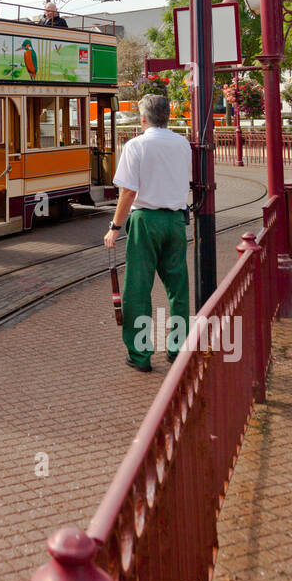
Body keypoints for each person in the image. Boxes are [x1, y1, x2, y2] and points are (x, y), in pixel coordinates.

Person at [104, 93, 192, 372]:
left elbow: (128, 191)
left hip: (145, 221)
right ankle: (177, 348)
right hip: (176, 221)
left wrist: (115, 227)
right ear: (167, 116)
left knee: (138, 289)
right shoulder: (183, 144)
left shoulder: (136, 145)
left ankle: (140, 355)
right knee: (178, 288)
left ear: (143, 118)